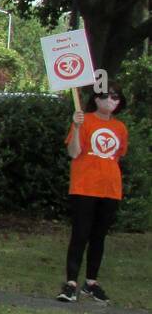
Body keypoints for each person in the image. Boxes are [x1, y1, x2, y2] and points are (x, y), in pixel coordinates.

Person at [57, 85, 128, 302]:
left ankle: (91, 282)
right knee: (80, 234)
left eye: (115, 97)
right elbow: (74, 152)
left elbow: (119, 155)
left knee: (99, 236)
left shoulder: (121, 128)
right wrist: (77, 128)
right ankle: (70, 283)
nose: (110, 100)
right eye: (106, 96)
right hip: (85, 187)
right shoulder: (84, 120)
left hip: (110, 189)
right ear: (96, 99)